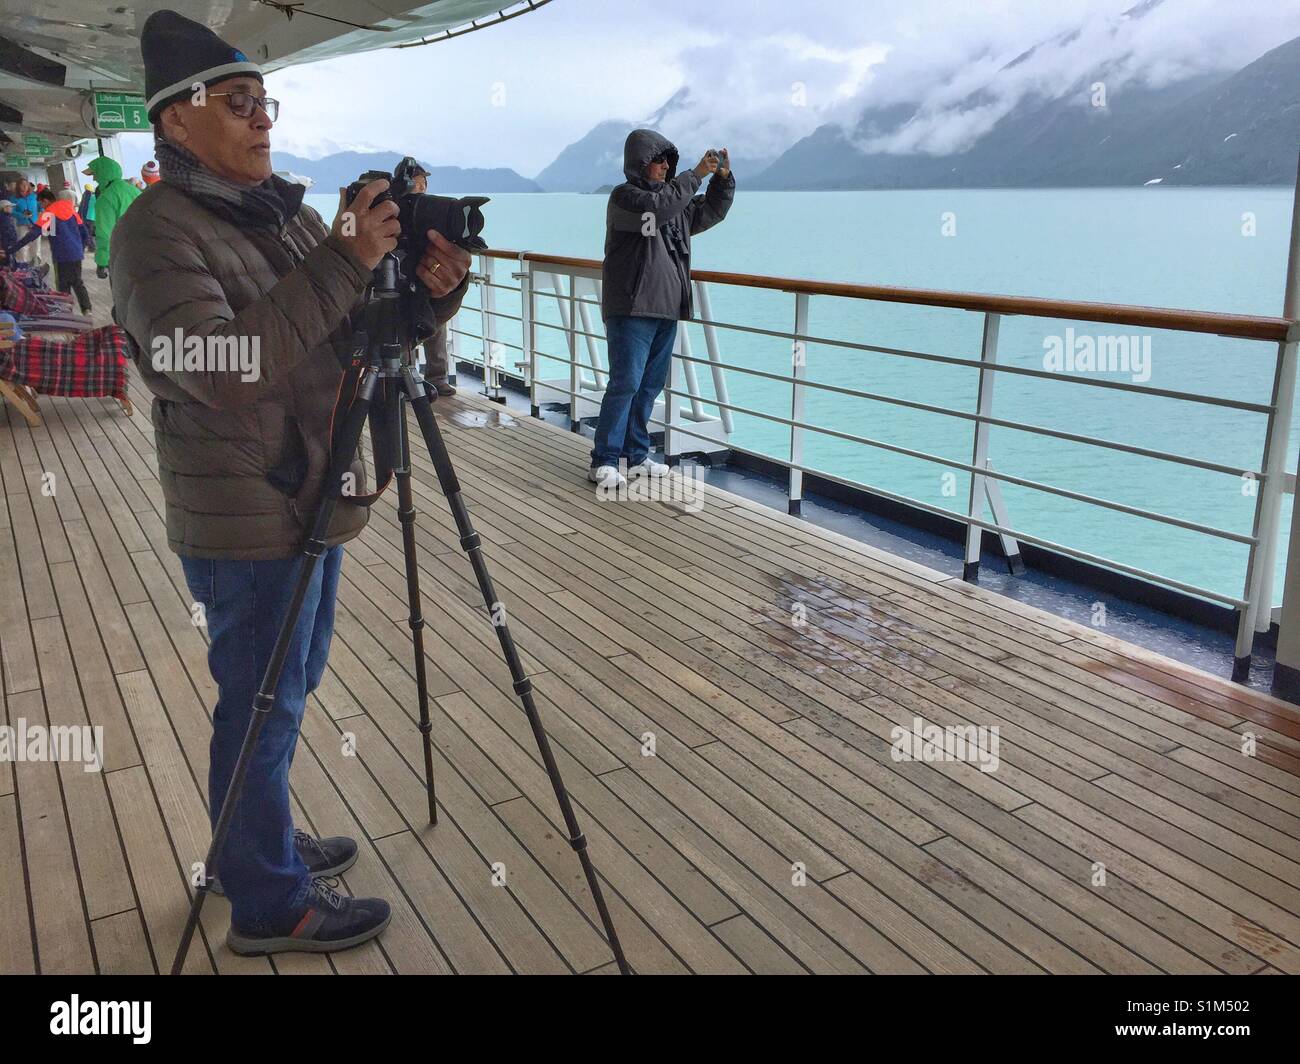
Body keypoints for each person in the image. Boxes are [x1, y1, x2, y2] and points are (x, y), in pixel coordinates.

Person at [111, 9, 471, 957]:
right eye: (238, 103)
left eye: (265, 100)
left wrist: (429, 297)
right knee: (262, 698)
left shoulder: (286, 213)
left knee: (290, 685)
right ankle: (269, 902)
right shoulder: (153, 233)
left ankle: (252, 845)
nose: (262, 118)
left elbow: (350, 334)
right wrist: (344, 256)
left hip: (312, 492)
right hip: (246, 510)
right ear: (175, 122)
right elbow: (221, 364)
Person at [588, 131, 735, 488]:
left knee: (650, 386)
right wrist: (696, 174)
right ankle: (604, 460)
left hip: (667, 307)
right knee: (625, 383)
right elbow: (658, 209)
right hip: (632, 305)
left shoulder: (675, 203)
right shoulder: (626, 199)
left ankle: (636, 455)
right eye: (660, 160)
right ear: (640, 163)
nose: (667, 166)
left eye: (669, 160)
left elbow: (711, 211)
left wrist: (722, 180)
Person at [13, 188, 92, 314]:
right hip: (76, 253)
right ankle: (87, 309)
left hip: (61, 254)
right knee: (77, 281)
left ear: (45, 201)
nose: (41, 207)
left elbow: (32, 235)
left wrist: (13, 248)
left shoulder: (48, 213)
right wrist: (81, 248)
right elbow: (83, 231)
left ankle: (66, 311)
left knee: (62, 283)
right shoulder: (70, 209)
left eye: (41, 204)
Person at [81, 155, 141, 278]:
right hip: (143, 249)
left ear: (103, 173)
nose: (94, 178)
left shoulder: (106, 198)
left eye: (95, 174)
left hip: (121, 255)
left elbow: (105, 232)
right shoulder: (135, 191)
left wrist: (102, 262)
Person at [5, 178, 41, 267]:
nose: (25, 186)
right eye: (22, 184)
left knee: (36, 246)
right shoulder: (13, 199)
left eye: (26, 184)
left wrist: (42, 211)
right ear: (18, 186)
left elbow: (40, 206)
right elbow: (11, 212)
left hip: (35, 225)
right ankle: (22, 266)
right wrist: (22, 215)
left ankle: (36, 266)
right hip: (22, 225)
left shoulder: (34, 196)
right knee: (22, 247)